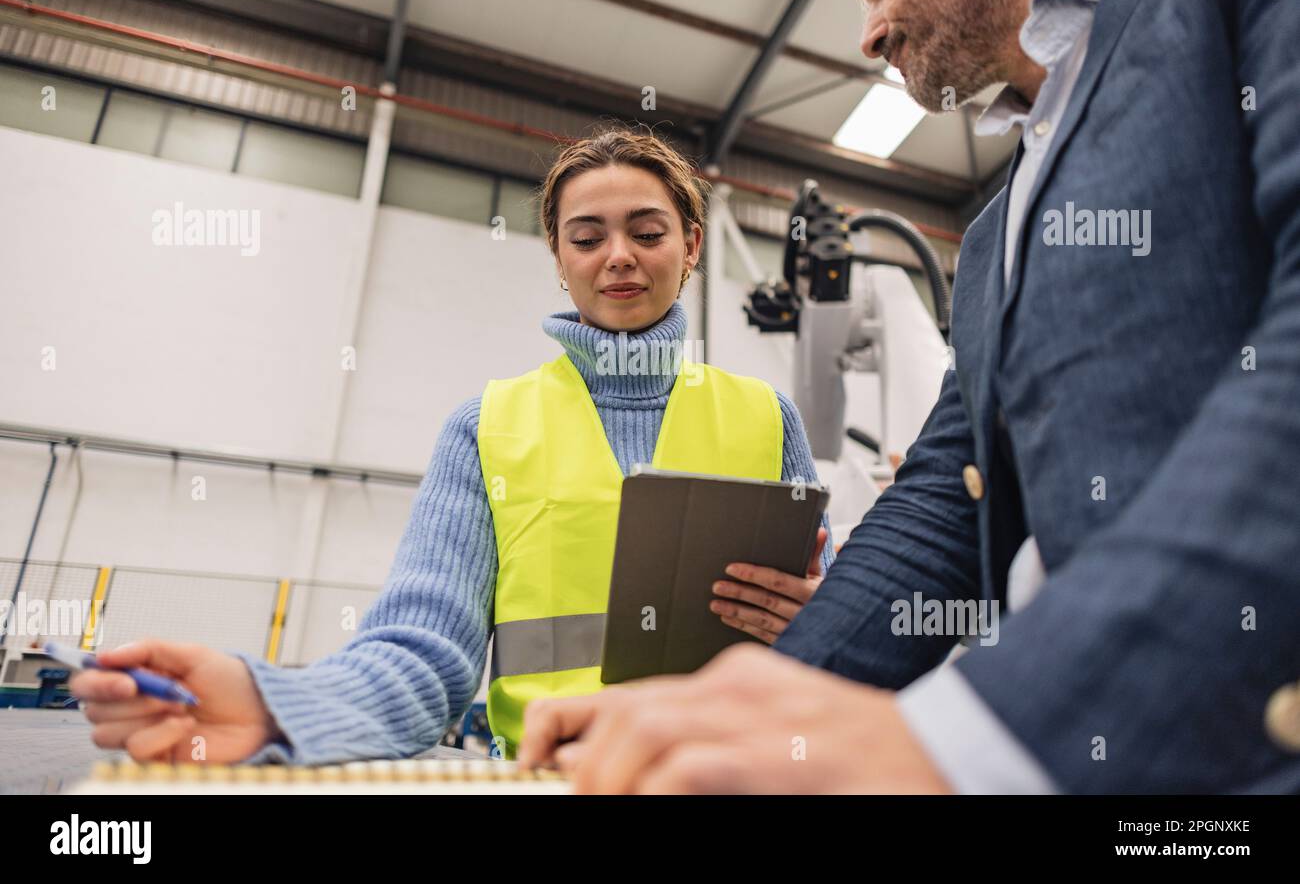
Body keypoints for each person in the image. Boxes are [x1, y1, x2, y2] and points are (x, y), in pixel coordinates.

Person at [518, 0, 1300, 794]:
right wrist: (751, 706)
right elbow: (941, 506)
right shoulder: (1000, 232)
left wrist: (973, 734)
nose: (870, 32)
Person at [68, 127, 833, 763]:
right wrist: (278, 705)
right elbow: (423, 649)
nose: (619, 256)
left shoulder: (768, 420)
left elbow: (834, 641)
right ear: (560, 261)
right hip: (553, 779)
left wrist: (821, 618)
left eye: (648, 231)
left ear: (692, 245)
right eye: (587, 237)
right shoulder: (487, 427)